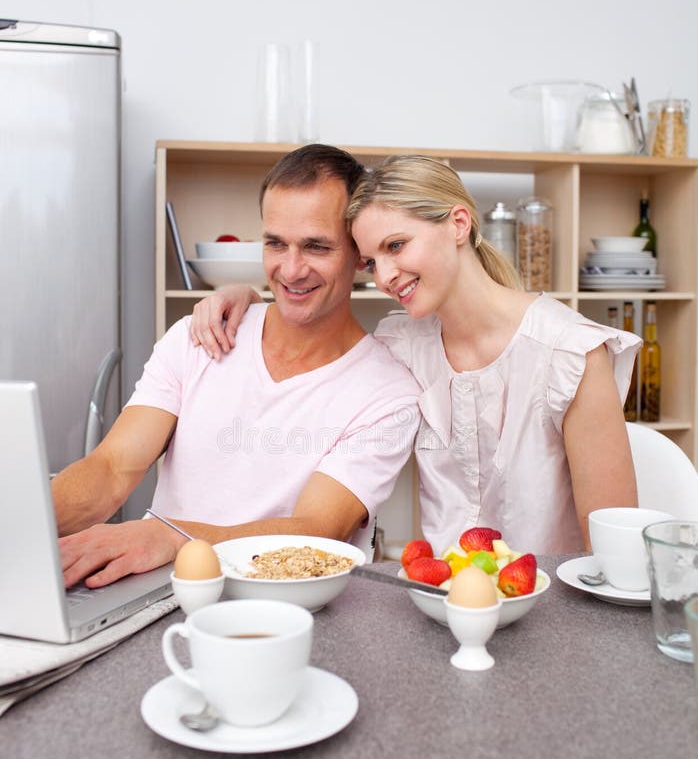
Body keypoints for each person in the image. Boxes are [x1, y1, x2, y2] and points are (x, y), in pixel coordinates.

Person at [191, 154, 641, 555]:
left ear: (459, 224)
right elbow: (321, 335)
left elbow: (612, 555)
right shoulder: (403, 346)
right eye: (370, 261)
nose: (385, 275)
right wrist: (246, 298)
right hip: (440, 607)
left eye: (396, 246)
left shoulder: (570, 355)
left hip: (547, 617)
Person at [53, 144, 419, 588]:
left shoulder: (387, 392)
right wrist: (22, 527)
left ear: (360, 254)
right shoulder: (200, 337)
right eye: (275, 243)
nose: (291, 269)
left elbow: (318, 530)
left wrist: (173, 537)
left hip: (293, 609)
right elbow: (111, 470)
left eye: (316, 247)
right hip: (160, 596)